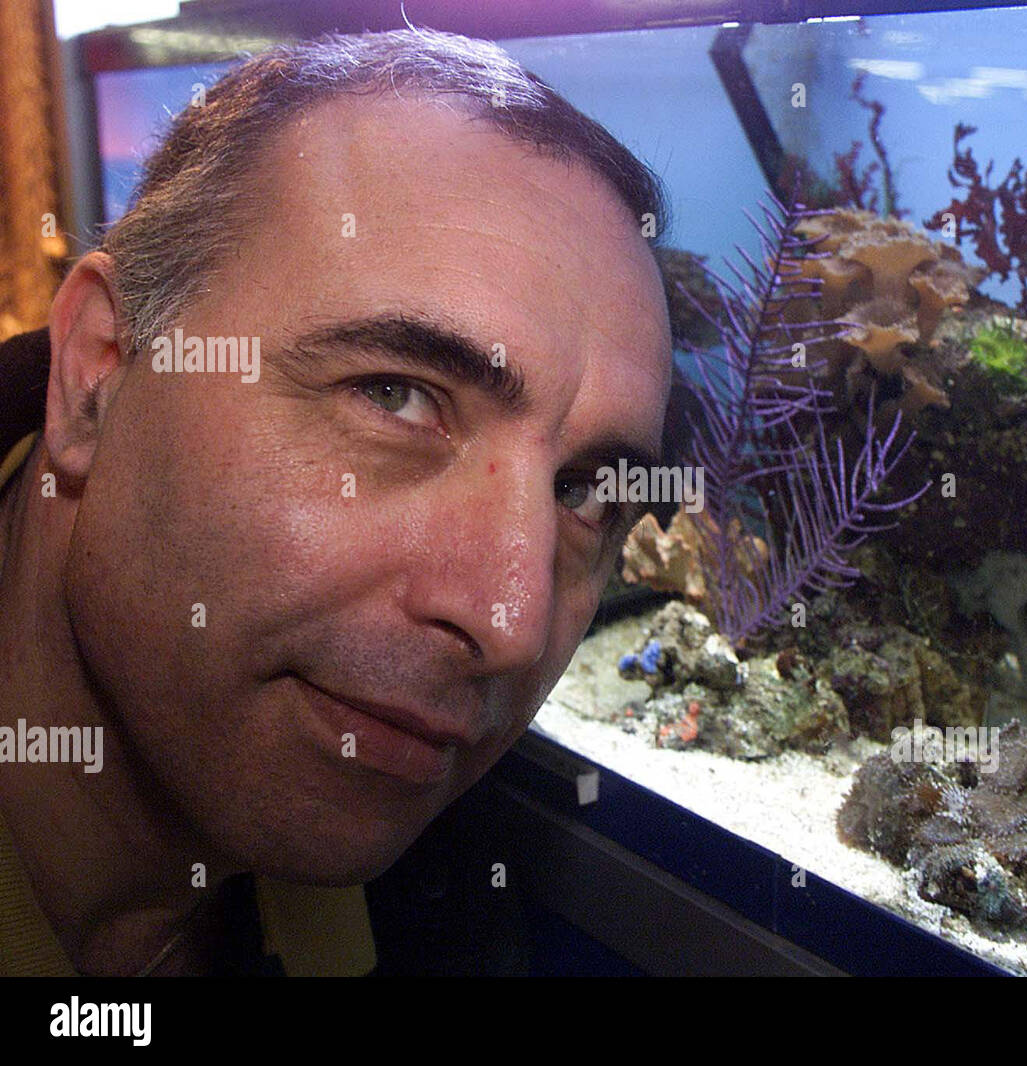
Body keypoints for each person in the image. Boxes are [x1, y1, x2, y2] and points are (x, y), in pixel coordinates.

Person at [0, 26, 673, 976]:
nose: (511, 624)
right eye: (394, 396)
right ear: (100, 372)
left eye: (583, 493)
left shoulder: (451, 901)